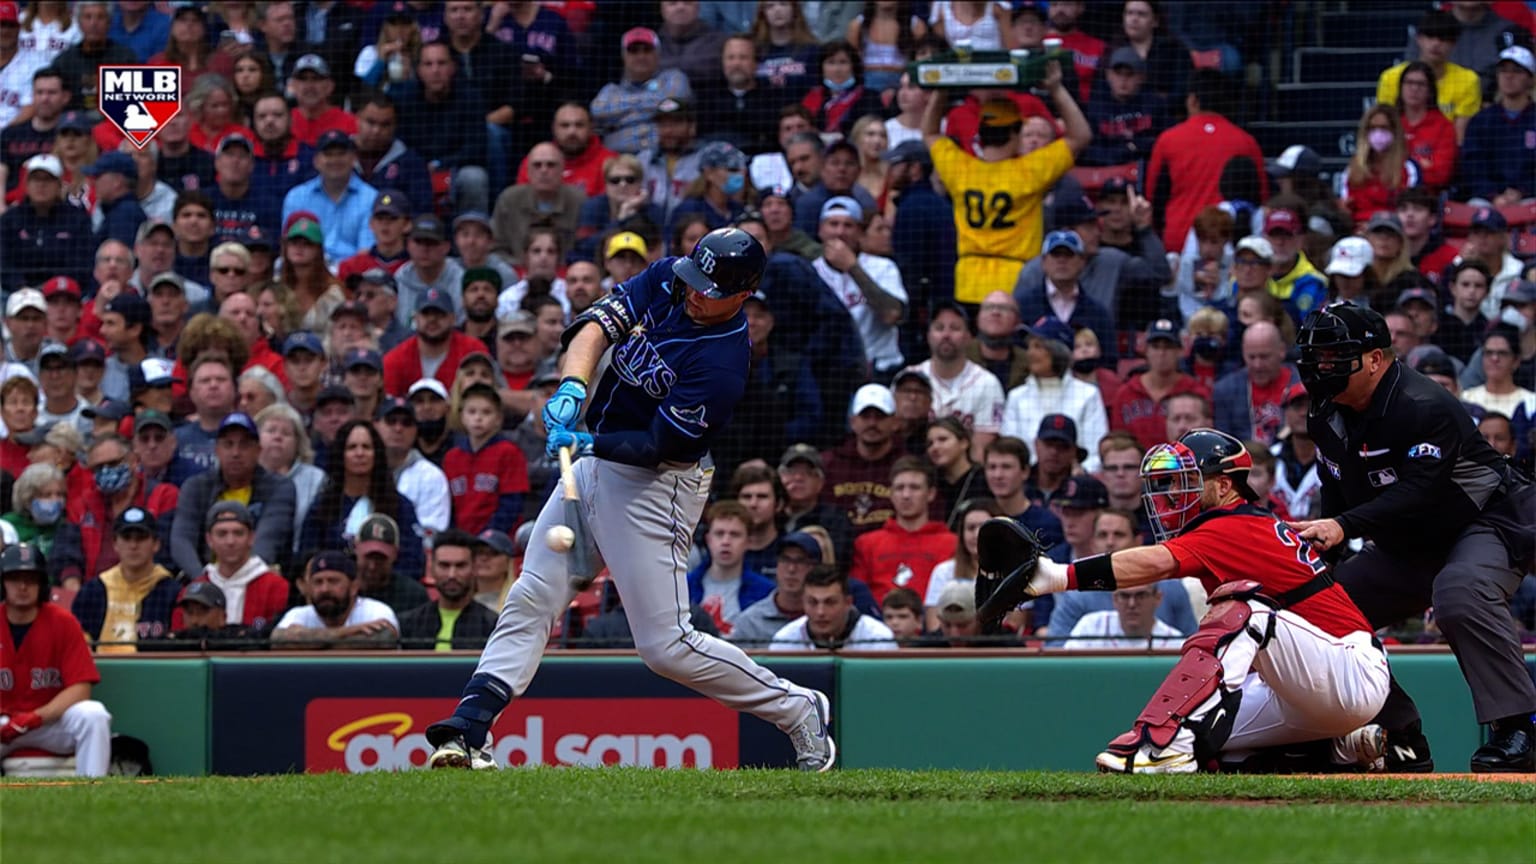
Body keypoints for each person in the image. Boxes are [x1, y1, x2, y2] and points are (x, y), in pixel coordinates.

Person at [423, 228, 837, 773]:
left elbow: (659, 448)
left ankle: (798, 707)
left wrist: (589, 441)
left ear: (743, 294)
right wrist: (572, 385)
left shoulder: (723, 365)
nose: (693, 293)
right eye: (694, 280)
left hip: (655, 486)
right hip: (595, 464)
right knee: (534, 592)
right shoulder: (673, 277)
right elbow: (597, 324)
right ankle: (470, 727)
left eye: (709, 289)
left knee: (666, 647)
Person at [976, 428, 1391, 772]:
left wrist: (1057, 577)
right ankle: (1341, 750)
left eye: (1187, 480)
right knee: (1212, 746)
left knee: (1244, 611)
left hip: (1347, 669)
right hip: (1308, 684)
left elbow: (1152, 563)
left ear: (1225, 485)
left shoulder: (1233, 524)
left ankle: (1161, 744)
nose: (1173, 493)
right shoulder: (1238, 524)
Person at [1291, 301, 1535, 772]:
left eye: (1335, 355)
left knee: (1459, 592)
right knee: (1317, 613)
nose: (1322, 366)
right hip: (1407, 542)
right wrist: (1321, 556)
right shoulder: (1324, 412)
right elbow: (1336, 487)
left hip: (1484, 520)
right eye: (1316, 356)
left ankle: (1519, 728)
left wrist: (1344, 526)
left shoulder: (1423, 404)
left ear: (1376, 360)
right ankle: (1397, 734)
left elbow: (1421, 491)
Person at [922, 59, 1089, 306]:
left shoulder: (959, 168)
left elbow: (930, 132)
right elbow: (1081, 135)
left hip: (969, 280)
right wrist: (1056, 89)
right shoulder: (1030, 171)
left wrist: (942, 88)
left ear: (981, 133)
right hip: (1018, 280)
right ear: (1015, 132)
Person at [0, 543, 113, 777]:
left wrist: (35, 717)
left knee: (94, 715)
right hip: (4, 723)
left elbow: (80, 689)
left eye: (30, 579)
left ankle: (93, 794)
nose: (22, 586)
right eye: (15, 578)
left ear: (42, 584)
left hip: (50, 723)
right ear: (3, 582)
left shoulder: (63, 622)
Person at [1146, 70, 1266, 254]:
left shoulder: (1168, 140)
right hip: (1228, 244)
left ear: (1193, 100)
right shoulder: (1246, 142)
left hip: (1178, 242)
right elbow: (1260, 199)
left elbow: (1153, 198)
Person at [169, 412, 297, 580]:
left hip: (256, 580)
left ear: (258, 450)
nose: (236, 453)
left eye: (244, 445)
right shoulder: (196, 487)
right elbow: (181, 541)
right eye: (228, 444)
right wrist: (204, 582)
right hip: (205, 582)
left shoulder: (279, 487)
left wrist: (237, 582)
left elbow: (267, 542)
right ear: (217, 450)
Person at [849, 458, 957, 604]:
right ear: (891, 494)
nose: (906, 495)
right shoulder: (867, 543)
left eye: (914, 488)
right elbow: (858, 594)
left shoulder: (951, 543)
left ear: (931, 494)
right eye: (899, 488)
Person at [175, 500, 289, 633]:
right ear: (209, 540)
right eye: (222, 534)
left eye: (238, 533)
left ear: (251, 538)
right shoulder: (193, 589)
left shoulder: (276, 587)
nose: (230, 542)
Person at [1376, 10, 1483, 143]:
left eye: (1443, 39)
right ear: (1419, 39)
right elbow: (1385, 128)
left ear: (1454, 44)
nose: (1436, 44)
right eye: (1430, 37)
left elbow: (1459, 136)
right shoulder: (1391, 78)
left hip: (1444, 152)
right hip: (1399, 151)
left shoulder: (1468, 80)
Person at [590, 27, 693, 156]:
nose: (641, 56)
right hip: (619, 159)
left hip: (665, 155)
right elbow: (598, 112)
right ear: (624, 56)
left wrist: (621, 118)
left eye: (647, 50)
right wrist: (653, 108)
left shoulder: (673, 78)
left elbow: (671, 103)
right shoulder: (610, 90)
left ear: (658, 54)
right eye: (634, 51)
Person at [271, 550, 399, 649]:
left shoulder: (375, 610)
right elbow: (278, 640)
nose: (324, 589)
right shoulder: (300, 613)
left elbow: (384, 638)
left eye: (333, 581)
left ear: (354, 587)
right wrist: (346, 632)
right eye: (318, 582)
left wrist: (310, 643)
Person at [1458, 46, 1535, 207]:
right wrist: (1493, 195)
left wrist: (1523, 191)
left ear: (1531, 79)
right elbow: (1472, 166)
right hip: (1488, 199)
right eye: (1503, 71)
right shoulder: (1482, 120)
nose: (1509, 76)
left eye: (1517, 71)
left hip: (1530, 198)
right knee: (1475, 208)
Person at [686, 501, 774, 638]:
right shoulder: (684, 586)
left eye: (735, 535)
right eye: (719, 534)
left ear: (748, 542)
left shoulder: (765, 591)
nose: (726, 541)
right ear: (708, 539)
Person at [397, 529, 496, 651]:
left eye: (460, 566)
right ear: (431, 567)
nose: (452, 575)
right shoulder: (408, 624)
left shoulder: (493, 626)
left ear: (474, 568)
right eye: (444, 565)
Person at [769, 565, 898, 651]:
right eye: (813, 602)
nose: (820, 612)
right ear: (803, 602)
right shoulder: (785, 641)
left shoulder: (878, 639)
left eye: (830, 602)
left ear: (848, 602)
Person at [730, 531, 820, 649]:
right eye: (785, 560)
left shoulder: (826, 618)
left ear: (815, 567)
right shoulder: (750, 622)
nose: (791, 569)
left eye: (800, 561)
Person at [1062, 582, 1185, 650]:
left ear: (1157, 598)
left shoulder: (1176, 643)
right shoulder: (1091, 625)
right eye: (1124, 596)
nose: (1132, 604)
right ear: (1115, 599)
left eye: (1141, 595)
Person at [352, 512, 429, 615]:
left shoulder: (412, 595)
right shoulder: (340, 590)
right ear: (356, 549)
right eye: (368, 557)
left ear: (395, 554)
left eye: (380, 559)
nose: (372, 566)